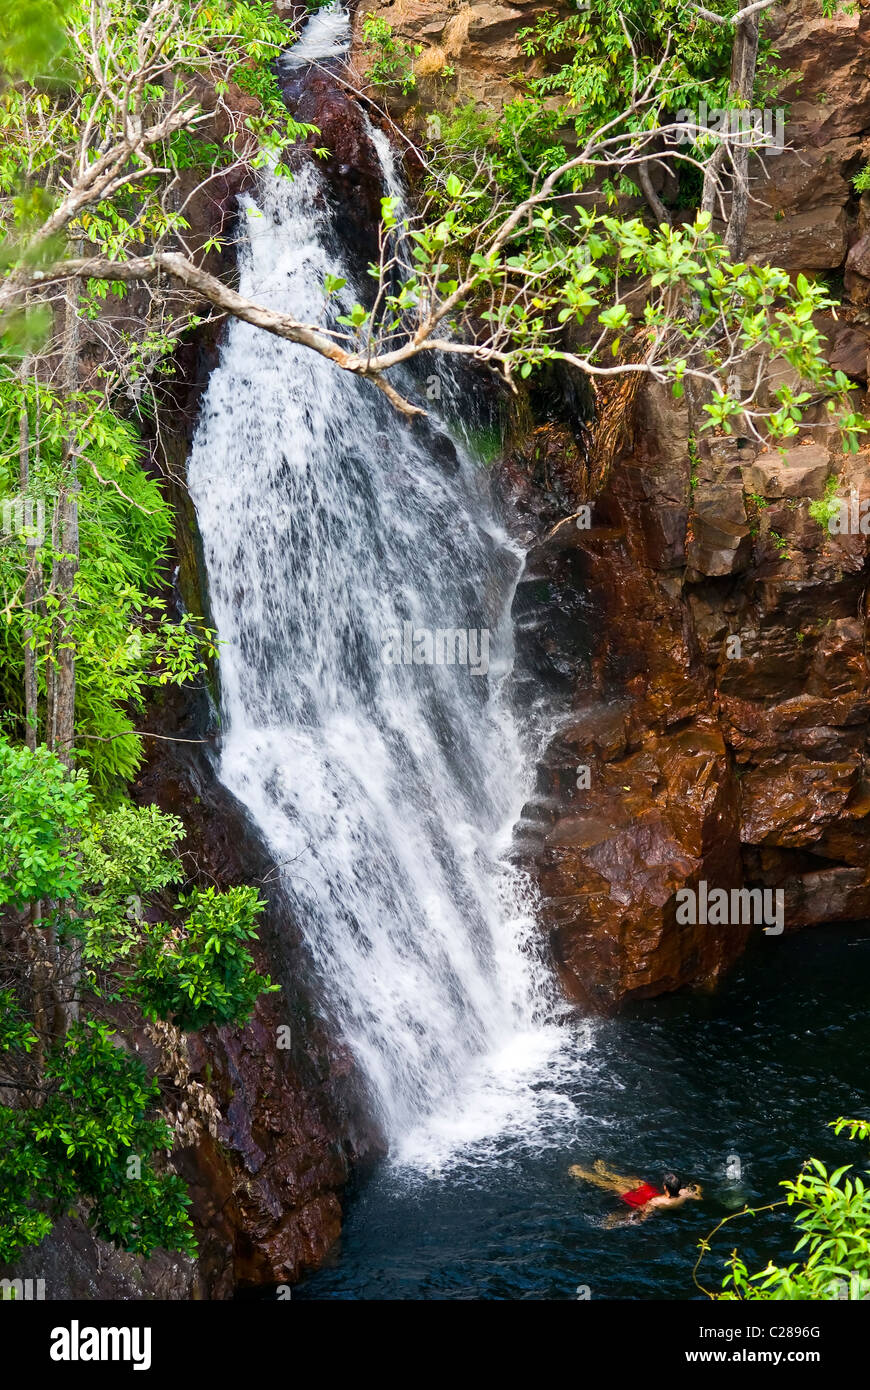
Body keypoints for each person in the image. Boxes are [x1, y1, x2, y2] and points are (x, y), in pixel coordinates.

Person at [569, 1159, 702, 1223]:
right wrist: (699, 1193)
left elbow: (644, 1213)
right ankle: (605, 1172)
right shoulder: (684, 1194)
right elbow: (697, 1191)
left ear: (666, 1187)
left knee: (618, 1187)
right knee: (638, 1182)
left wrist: (625, 1220)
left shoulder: (657, 1202)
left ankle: (582, 1174)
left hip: (647, 1200)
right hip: (657, 1196)